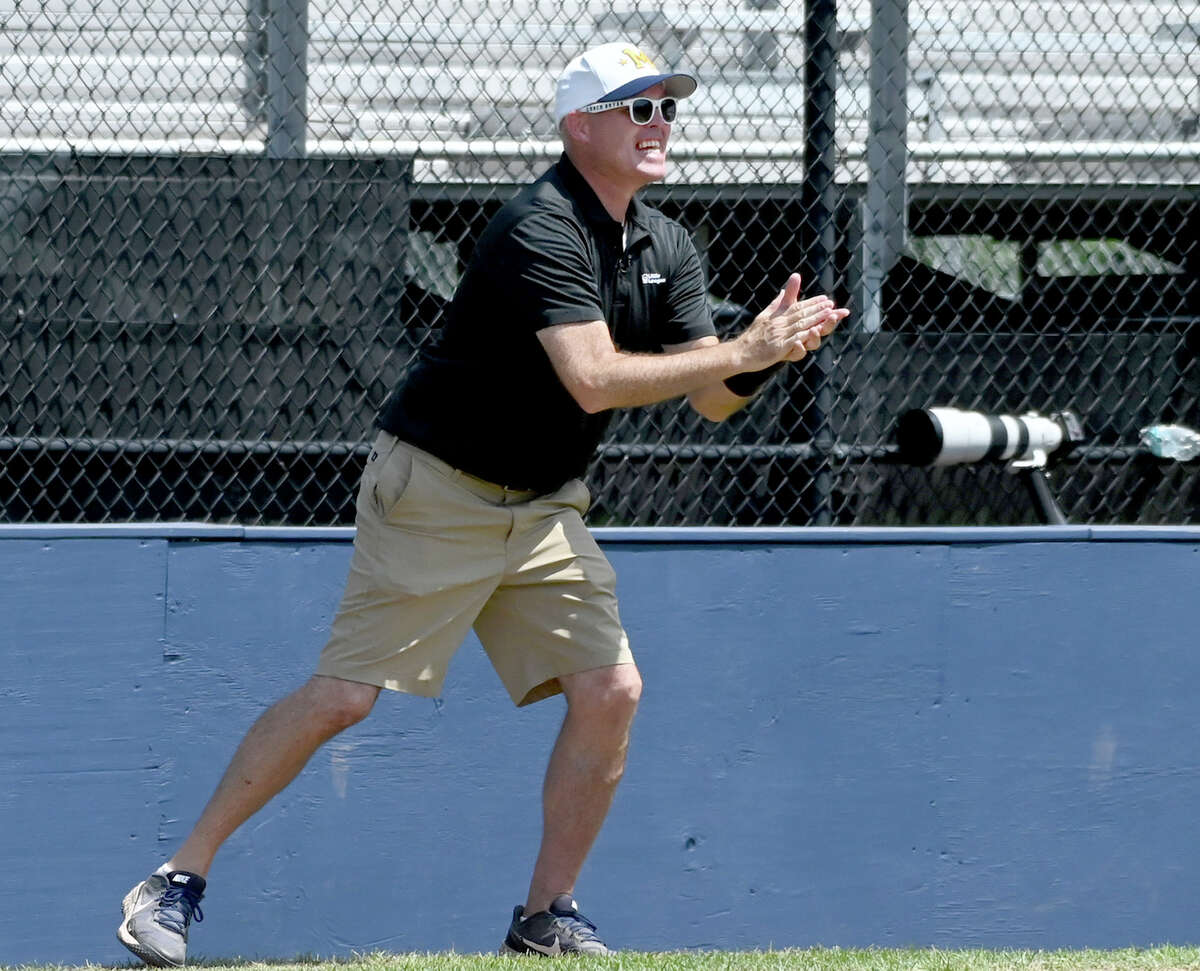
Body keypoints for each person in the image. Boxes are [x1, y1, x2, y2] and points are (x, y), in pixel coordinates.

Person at [117, 39, 849, 966]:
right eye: (639, 109)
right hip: (436, 490)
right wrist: (741, 352)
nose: (660, 124)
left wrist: (765, 358)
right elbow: (591, 379)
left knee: (611, 688)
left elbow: (709, 396)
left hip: (544, 508)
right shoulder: (537, 226)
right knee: (344, 697)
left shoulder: (668, 244)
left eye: (668, 107)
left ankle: (545, 915)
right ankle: (177, 877)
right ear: (580, 126)